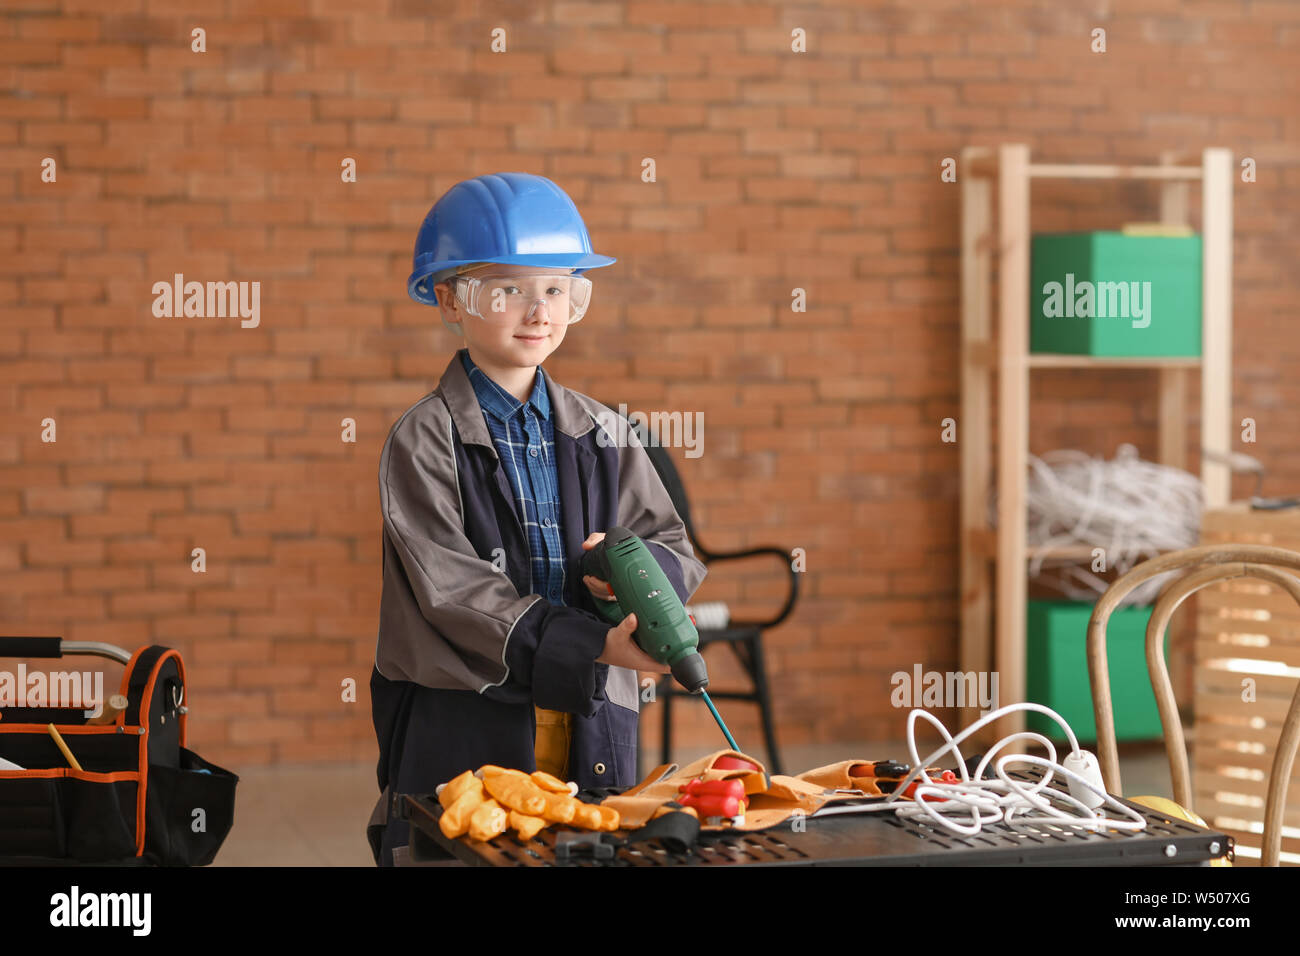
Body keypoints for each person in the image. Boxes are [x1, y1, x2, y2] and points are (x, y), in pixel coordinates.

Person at [367, 172, 708, 865]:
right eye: (507, 290)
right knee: (470, 850)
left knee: (583, 846)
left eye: (556, 289)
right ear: (449, 299)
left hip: (591, 715)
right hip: (469, 718)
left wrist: (636, 579)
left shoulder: (604, 429)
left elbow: (671, 542)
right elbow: (454, 592)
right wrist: (593, 646)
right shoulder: (424, 438)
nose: (538, 311)